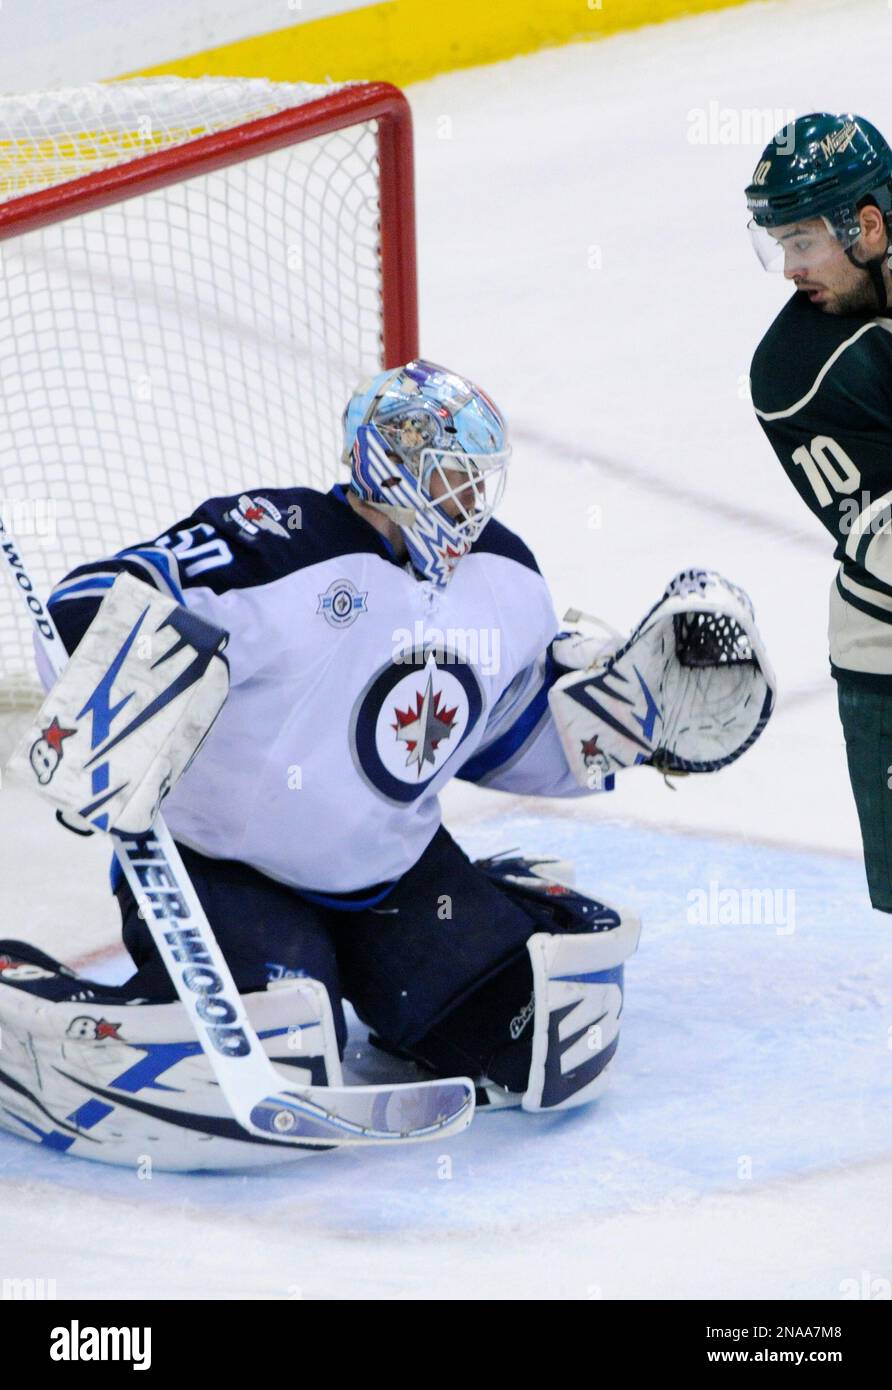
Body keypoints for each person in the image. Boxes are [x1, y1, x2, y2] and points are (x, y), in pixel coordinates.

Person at [0, 360, 773, 1166]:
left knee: (534, 1039)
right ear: (388, 464)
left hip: (397, 875)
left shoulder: (503, 578)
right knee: (285, 1039)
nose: (470, 501)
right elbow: (99, 597)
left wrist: (625, 722)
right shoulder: (278, 541)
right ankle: (27, 998)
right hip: (224, 867)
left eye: (480, 481)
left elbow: (503, 737)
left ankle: (497, 899)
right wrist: (112, 672)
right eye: (451, 476)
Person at [747, 113, 892, 910]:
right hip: (888, 662)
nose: (788, 269)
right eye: (779, 244)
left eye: (802, 242)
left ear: (867, 225)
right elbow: (882, 538)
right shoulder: (797, 371)